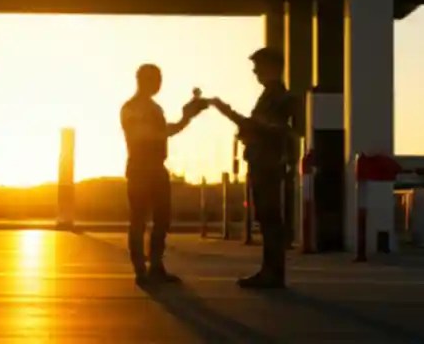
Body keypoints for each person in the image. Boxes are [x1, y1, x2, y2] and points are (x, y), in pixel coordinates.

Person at [209, 46, 300, 289]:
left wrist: (227, 111)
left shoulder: (279, 98)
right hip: (264, 161)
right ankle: (270, 271)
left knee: (271, 219)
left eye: (258, 67)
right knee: (268, 219)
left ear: (270, 67)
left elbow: (266, 128)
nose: (255, 72)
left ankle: (272, 274)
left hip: (268, 164)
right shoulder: (272, 96)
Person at [120, 63, 207, 286]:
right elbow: (145, 135)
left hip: (156, 168)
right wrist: (184, 118)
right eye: (156, 80)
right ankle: (141, 270)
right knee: (139, 219)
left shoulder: (154, 108)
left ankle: (156, 266)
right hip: (140, 168)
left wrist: (187, 117)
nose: (159, 85)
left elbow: (163, 132)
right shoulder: (131, 108)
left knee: (161, 219)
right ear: (143, 80)